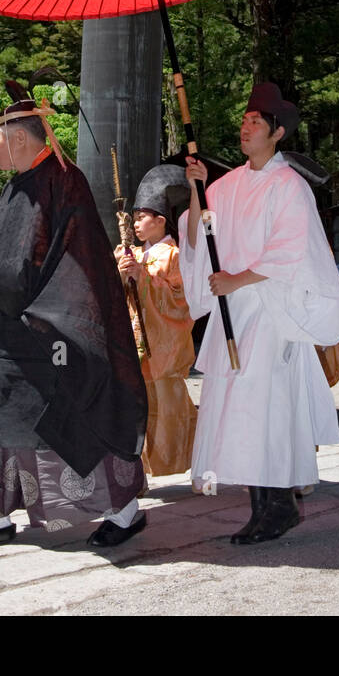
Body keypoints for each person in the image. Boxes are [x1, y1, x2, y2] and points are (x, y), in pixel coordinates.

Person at [0, 89, 147, 550]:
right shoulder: (14, 186)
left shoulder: (65, 181)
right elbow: (0, 257)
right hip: (12, 329)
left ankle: (124, 510)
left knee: (75, 419)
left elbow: (78, 257)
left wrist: (17, 300)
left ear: (21, 138)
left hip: (54, 329)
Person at [179, 82, 339, 544]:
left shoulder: (290, 186)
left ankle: (279, 504)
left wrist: (238, 279)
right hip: (234, 311)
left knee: (266, 408)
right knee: (236, 408)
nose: (246, 127)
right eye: (244, 120)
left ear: (277, 134)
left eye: (256, 121)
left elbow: (291, 251)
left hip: (272, 311)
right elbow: (200, 236)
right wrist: (196, 190)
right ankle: (262, 506)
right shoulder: (227, 185)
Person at [116, 165, 197, 477]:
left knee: (168, 408)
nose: (137, 223)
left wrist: (145, 279)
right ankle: (133, 472)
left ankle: (191, 461)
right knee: (131, 409)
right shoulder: (128, 253)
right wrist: (121, 276)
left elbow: (181, 300)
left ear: (161, 220)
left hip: (161, 350)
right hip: (130, 344)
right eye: (135, 217)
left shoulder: (175, 255)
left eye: (142, 217)